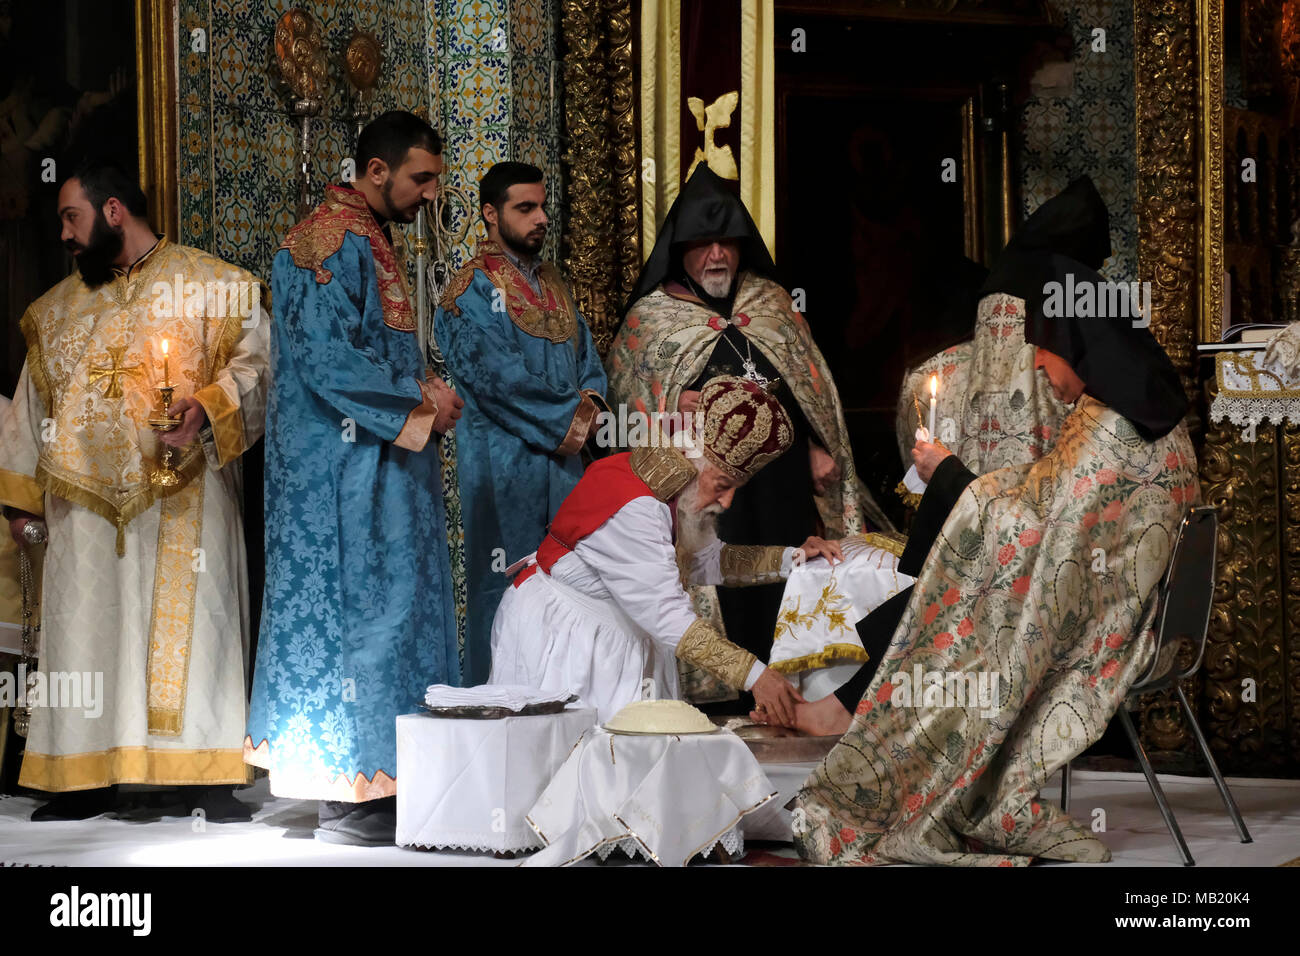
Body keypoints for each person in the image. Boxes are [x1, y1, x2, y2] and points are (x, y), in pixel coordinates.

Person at [784, 227, 1195, 866]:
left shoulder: (1115, 429)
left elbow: (1036, 526)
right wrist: (984, 489)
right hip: (1105, 601)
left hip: (1104, 625)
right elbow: (1049, 509)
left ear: (1077, 342)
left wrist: (956, 481)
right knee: (954, 597)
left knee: (958, 635)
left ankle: (930, 792)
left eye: (1043, 348)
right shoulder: (1130, 411)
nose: (1035, 364)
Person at [0, 160, 268, 820]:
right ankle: (81, 775)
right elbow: (29, 409)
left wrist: (207, 408)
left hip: (185, 495)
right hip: (81, 508)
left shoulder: (216, 285)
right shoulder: (52, 312)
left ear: (114, 211)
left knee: (195, 633)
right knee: (87, 636)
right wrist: (19, 501)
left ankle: (202, 774)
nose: (63, 234)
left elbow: (258, 367)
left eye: (72, 217)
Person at [245, 111, 463, 846]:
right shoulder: (322, 242)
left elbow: (379, 352)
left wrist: (426, 387)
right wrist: (421, 402)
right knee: (359, 616)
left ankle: (392, 775)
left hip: (383, 457)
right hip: (338, 469)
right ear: (376, 172)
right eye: (420, 178)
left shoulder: (372, 239)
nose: (430, 193)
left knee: (396, 609)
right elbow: (327, 360)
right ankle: (348, 789)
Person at [606, 164, 890, 704]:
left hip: (781, 484)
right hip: (707, 491)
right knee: (724, 577)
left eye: (728, 243)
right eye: (703, 243)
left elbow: (810, 388)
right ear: (679, 250)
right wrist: (674, 408)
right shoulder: (651, 320)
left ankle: (797, 693)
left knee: (785, 576)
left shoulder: (772, 302)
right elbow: (627, 411)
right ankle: (732, 692)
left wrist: (813, 444)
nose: (718, 256)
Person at [489, 375, 843, 725]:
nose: (727, 501)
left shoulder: (672, 490)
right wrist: (756, 677)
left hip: (619, 636)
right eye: (722, 484)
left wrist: (792, 559)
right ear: (693, 462)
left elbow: (708, 561)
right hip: (571, 640)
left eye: (736, 487)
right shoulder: (635, 507)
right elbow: (667, 615)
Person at [434, 162, 606, 685]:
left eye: (542, 206)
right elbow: (500, 382)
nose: (540, 218)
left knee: (573, 584)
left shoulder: (552, 281)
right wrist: (576, 419)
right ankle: (497, 714)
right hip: (504, 466)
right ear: (490, 214)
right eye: (524, 208)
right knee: (507, 588)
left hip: (567, 467)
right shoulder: (468, 291)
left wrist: (592, 403)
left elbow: (588, 360)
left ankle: (567, 710)